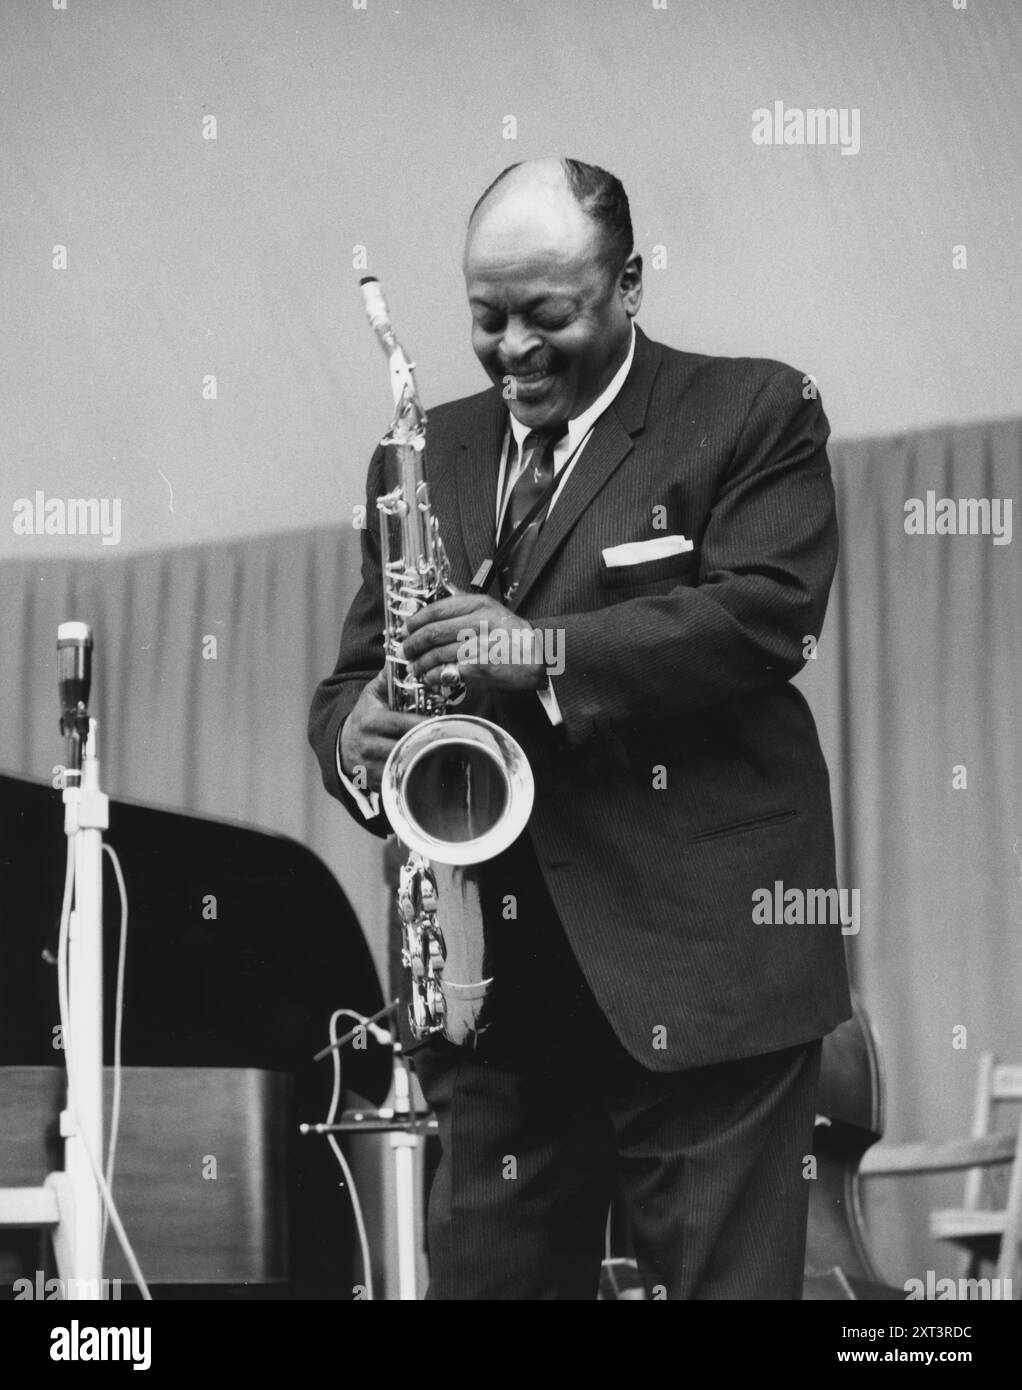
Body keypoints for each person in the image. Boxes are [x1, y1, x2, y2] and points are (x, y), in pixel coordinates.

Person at [308, 157, 851, 1300]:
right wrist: (351, 731)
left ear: (629, 285)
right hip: (493, 996)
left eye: (547, 315)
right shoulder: (421, 455)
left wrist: (538, 649)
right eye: (485, 317)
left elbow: (764, 618)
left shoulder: (754, 409)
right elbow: (357, 672)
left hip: (702, 977)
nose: (512, 349)